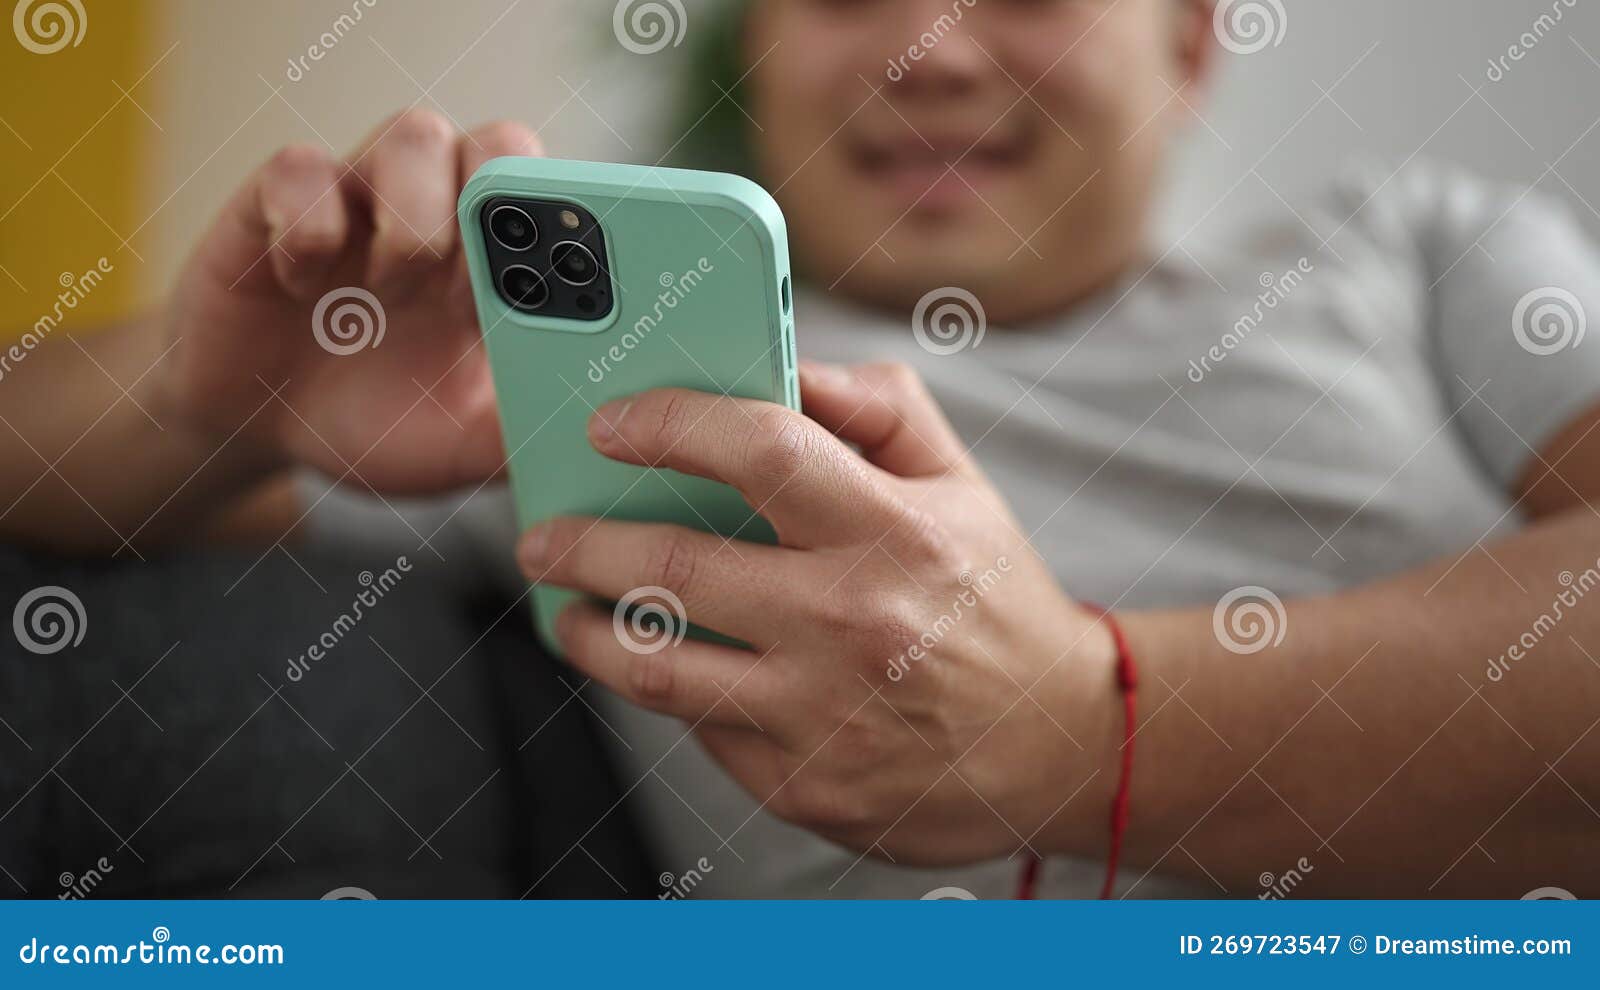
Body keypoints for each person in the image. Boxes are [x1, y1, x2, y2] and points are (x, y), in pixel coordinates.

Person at [2, 0, 1598, 899]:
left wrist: (1089, 721)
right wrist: (220, 402)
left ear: (1188, 45)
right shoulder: (581, 378)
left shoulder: (1419, 251)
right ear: (758, 51)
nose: (927, 50)